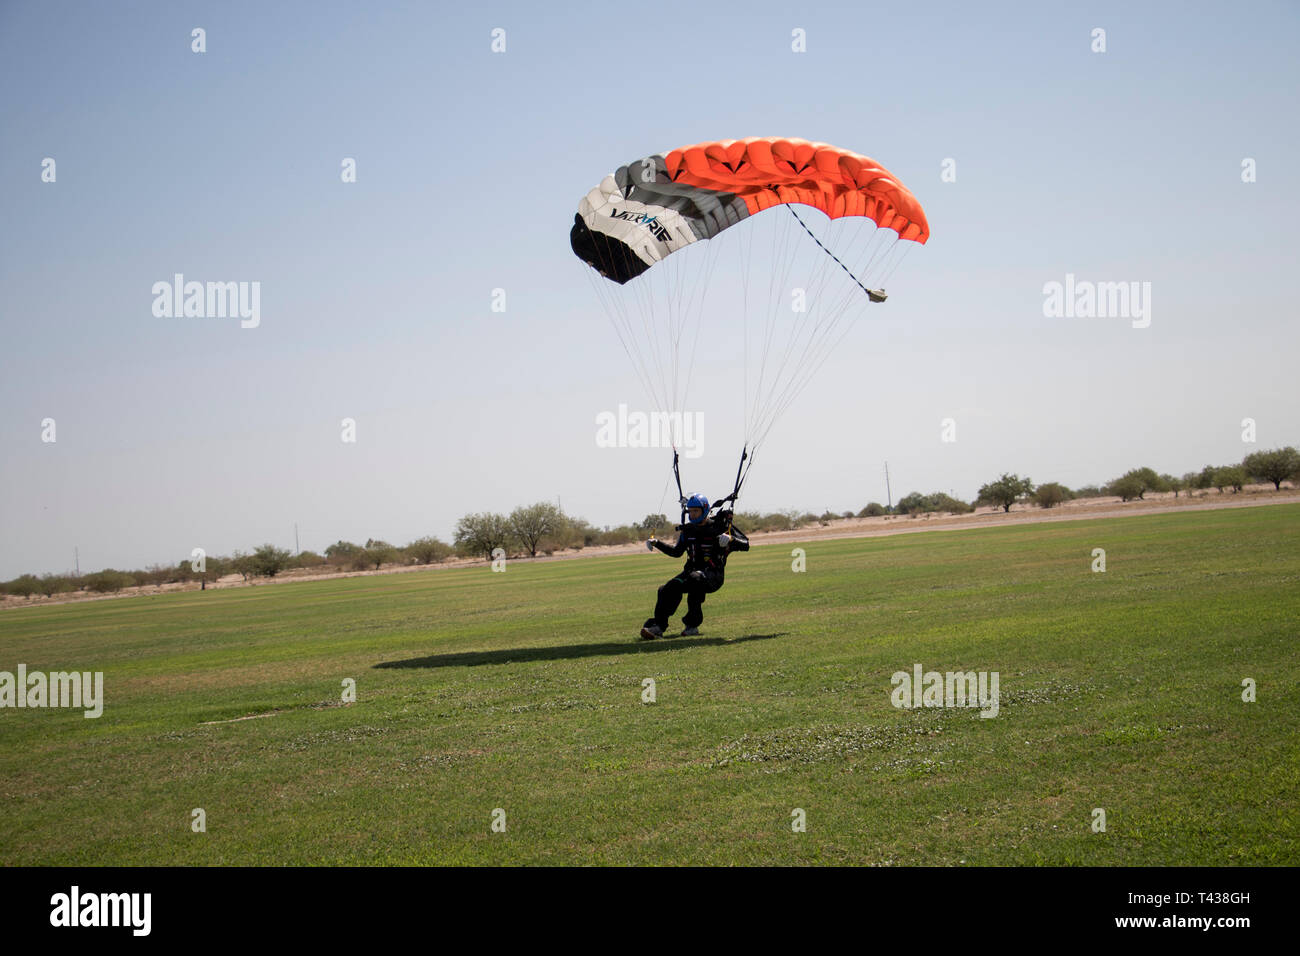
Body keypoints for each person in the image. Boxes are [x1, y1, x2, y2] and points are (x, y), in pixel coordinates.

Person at [640, 493, 749, 640]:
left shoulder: (719, 526)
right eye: (690, 511)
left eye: (695, 511)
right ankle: (658, 626)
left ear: (704, 510)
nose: (692, 514)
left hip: (713, 576)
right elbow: (676, 552)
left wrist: (731, 539)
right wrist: (657, 543)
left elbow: (745, 544)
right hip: (692, 573)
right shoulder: (688, 530)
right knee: (667, 589)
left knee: (694, 580)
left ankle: (692, 625)